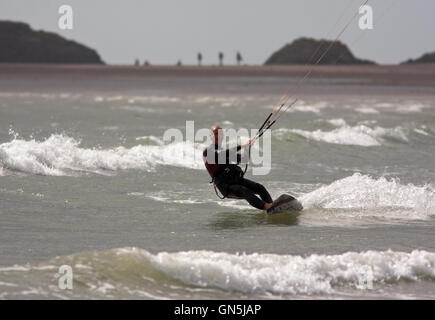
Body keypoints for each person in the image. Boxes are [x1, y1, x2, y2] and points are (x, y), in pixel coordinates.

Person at [203, 125, 273, 211]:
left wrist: (248, 148)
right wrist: (242, 145)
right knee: (244, 190)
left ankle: (273, 206)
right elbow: (221, 154)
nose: (218, 136)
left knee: (260, 188)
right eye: (216, 134)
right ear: (210, 136)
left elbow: (244, 159)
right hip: (225, 186)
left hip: (236, 181)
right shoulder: (208, 151)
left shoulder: (224, 152)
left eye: (220, 134)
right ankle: (267, 207)